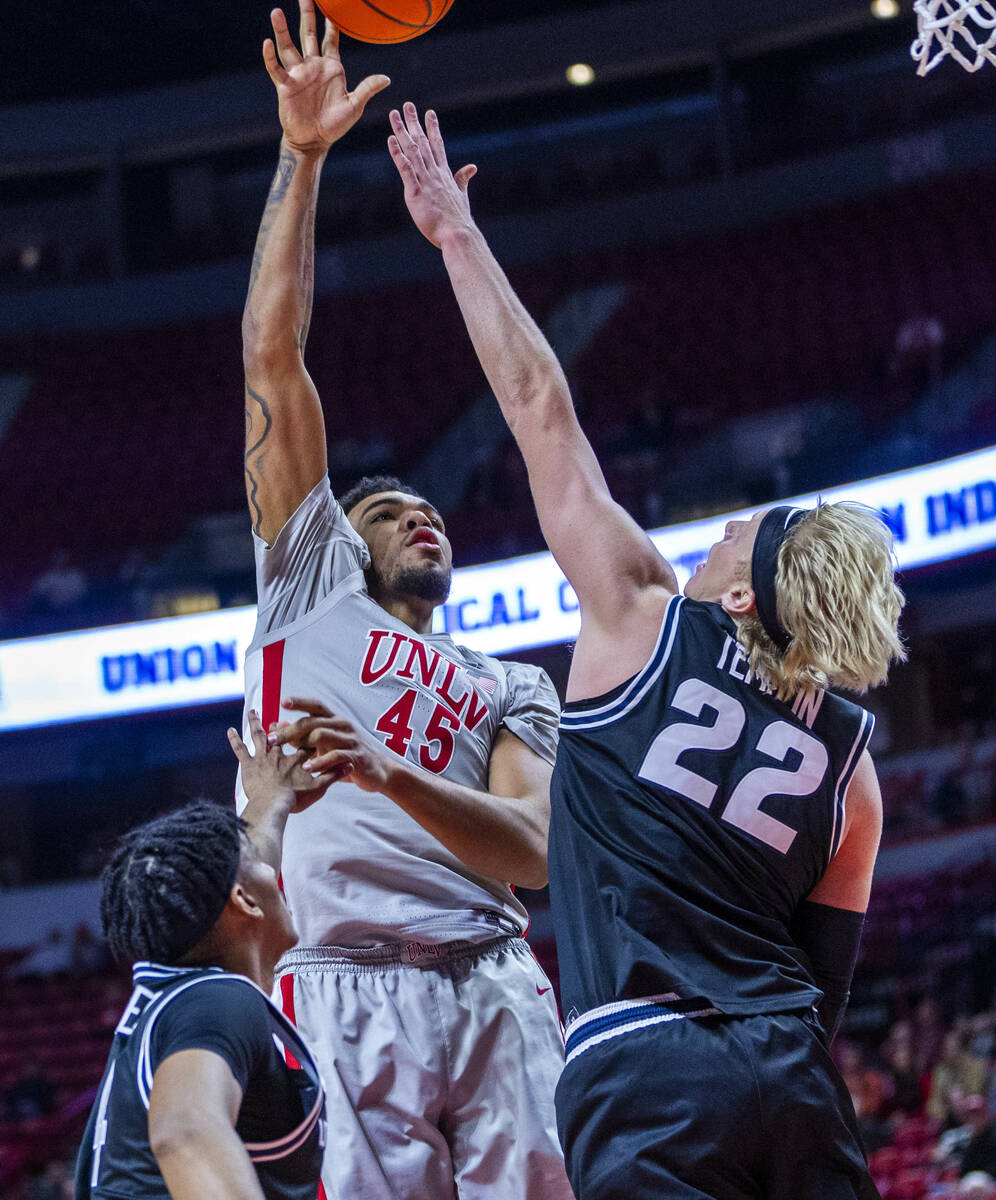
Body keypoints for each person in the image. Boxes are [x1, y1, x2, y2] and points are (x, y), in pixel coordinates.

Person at [387, 102, 907, 1198]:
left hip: (642, 1055)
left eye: (738, 531)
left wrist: (456, 236)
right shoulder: (854, 770)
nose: (722, 528)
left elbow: (539, 405)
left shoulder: (639, 614)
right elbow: (825, 983)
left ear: (745, 592)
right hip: (788, 1063)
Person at [239, 6, 572, 1198]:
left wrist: (384, 774)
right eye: (390, 511)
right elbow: (274, 359)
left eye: (432, 512)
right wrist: (304, 154)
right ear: (340, 535)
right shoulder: (310, 586)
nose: (419, 517)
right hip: (340, 977)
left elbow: (532, 855)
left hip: (493, 973)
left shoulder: (511, 681)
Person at [74, 713, 333, 1200]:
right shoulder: (219, 1001)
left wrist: (270, 799)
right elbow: (185, 1133)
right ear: (244, 902)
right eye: (257, 863)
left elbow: (238, 873)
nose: (272, 868)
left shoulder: (180, 994)